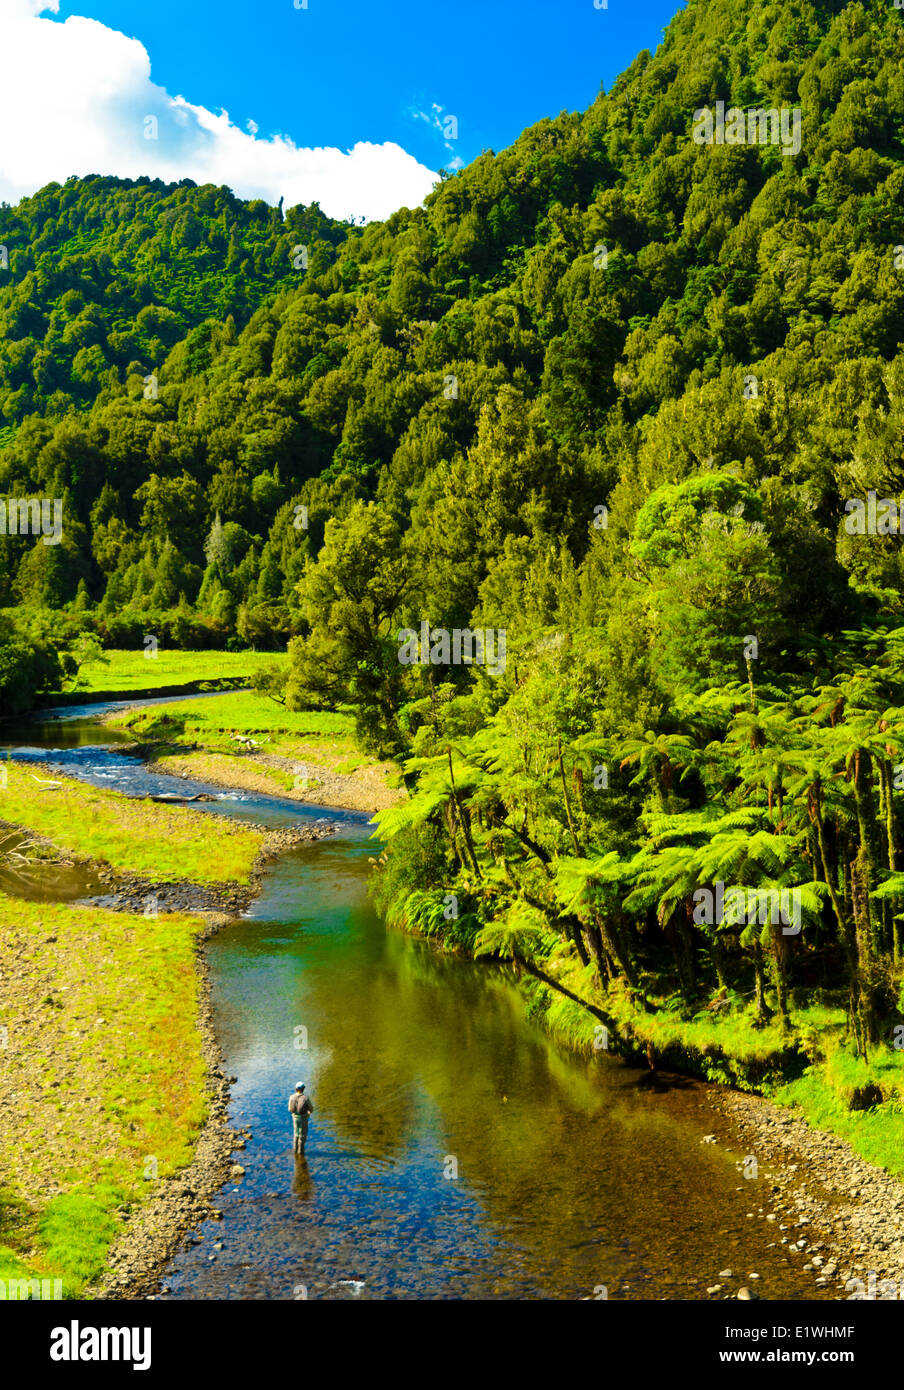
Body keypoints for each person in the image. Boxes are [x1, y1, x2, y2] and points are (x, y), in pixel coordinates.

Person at [289, 1082, 313, 1154]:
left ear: (296, 1089)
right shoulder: (306, 1098)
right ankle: (301, 1153)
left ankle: (295, 1151)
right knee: (302, 1135)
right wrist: (308, 1113)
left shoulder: (291, 1097)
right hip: (303, 1118)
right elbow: (311, 1109)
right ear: (303, 1089)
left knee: (296, 1134)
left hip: (295, 1118)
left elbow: (290, 1109)